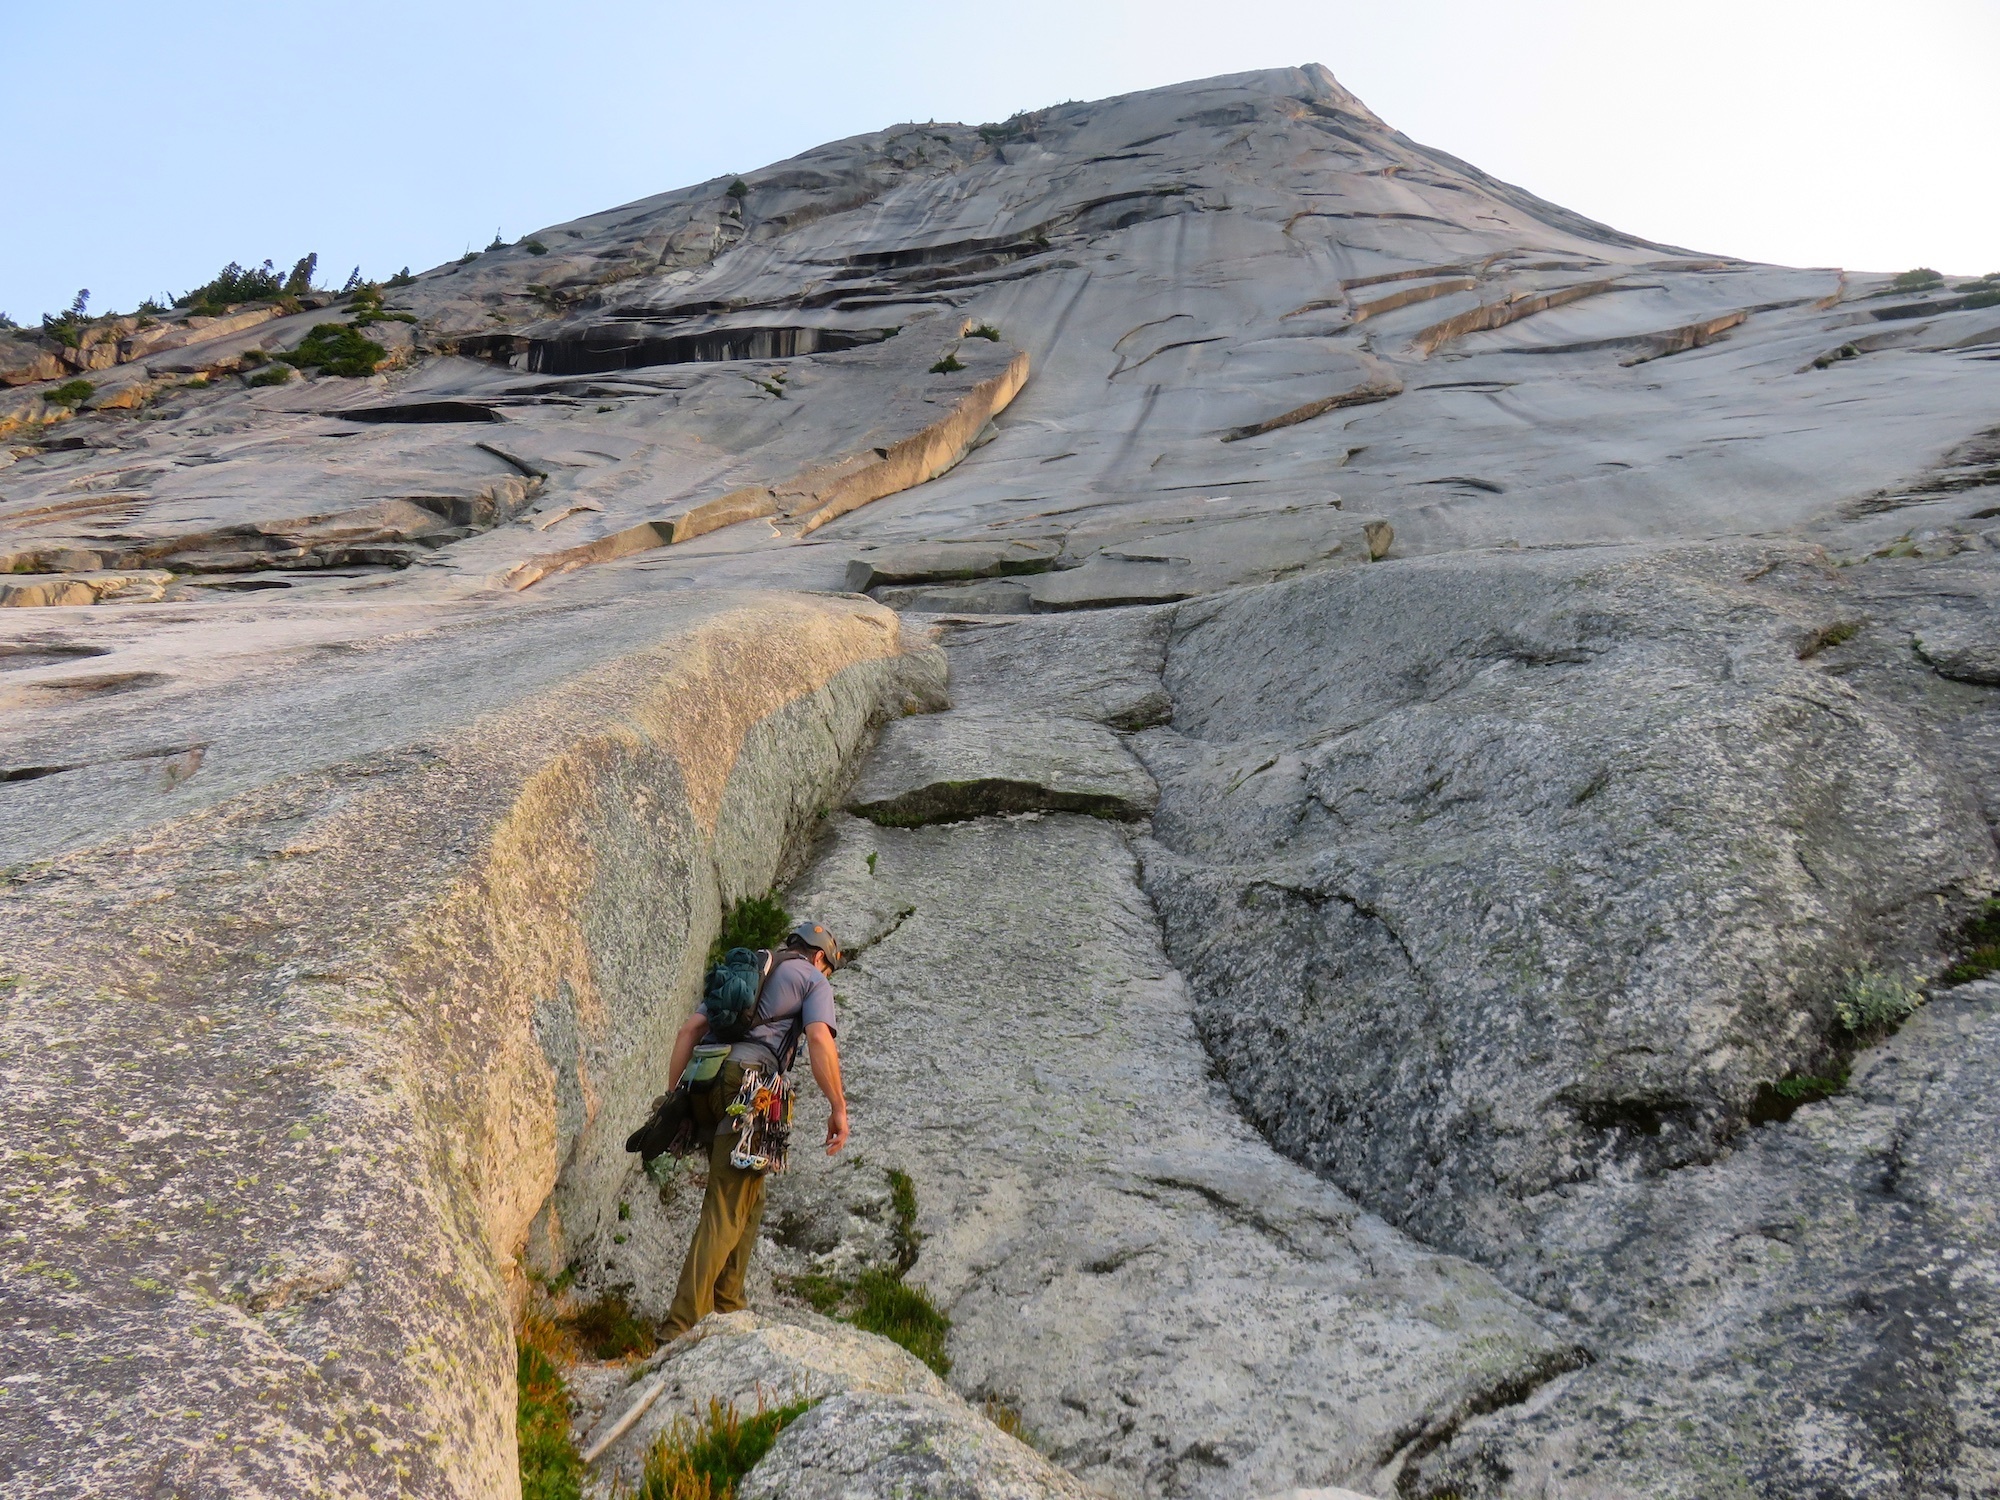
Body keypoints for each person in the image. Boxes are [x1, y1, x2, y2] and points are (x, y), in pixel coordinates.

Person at [659, 920, 848, 1339]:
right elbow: (819, 1039)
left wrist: (673, 1100)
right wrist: (838, 1106)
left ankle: (728, 1302)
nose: (826, 976)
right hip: (749, 1084)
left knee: (750, 1196)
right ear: (820, 957)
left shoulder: (753, 969)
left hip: (704, 1081)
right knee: (726, 1207)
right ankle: (680, 1328)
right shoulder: (813, 979)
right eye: (828, 969)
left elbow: (690, 1030)